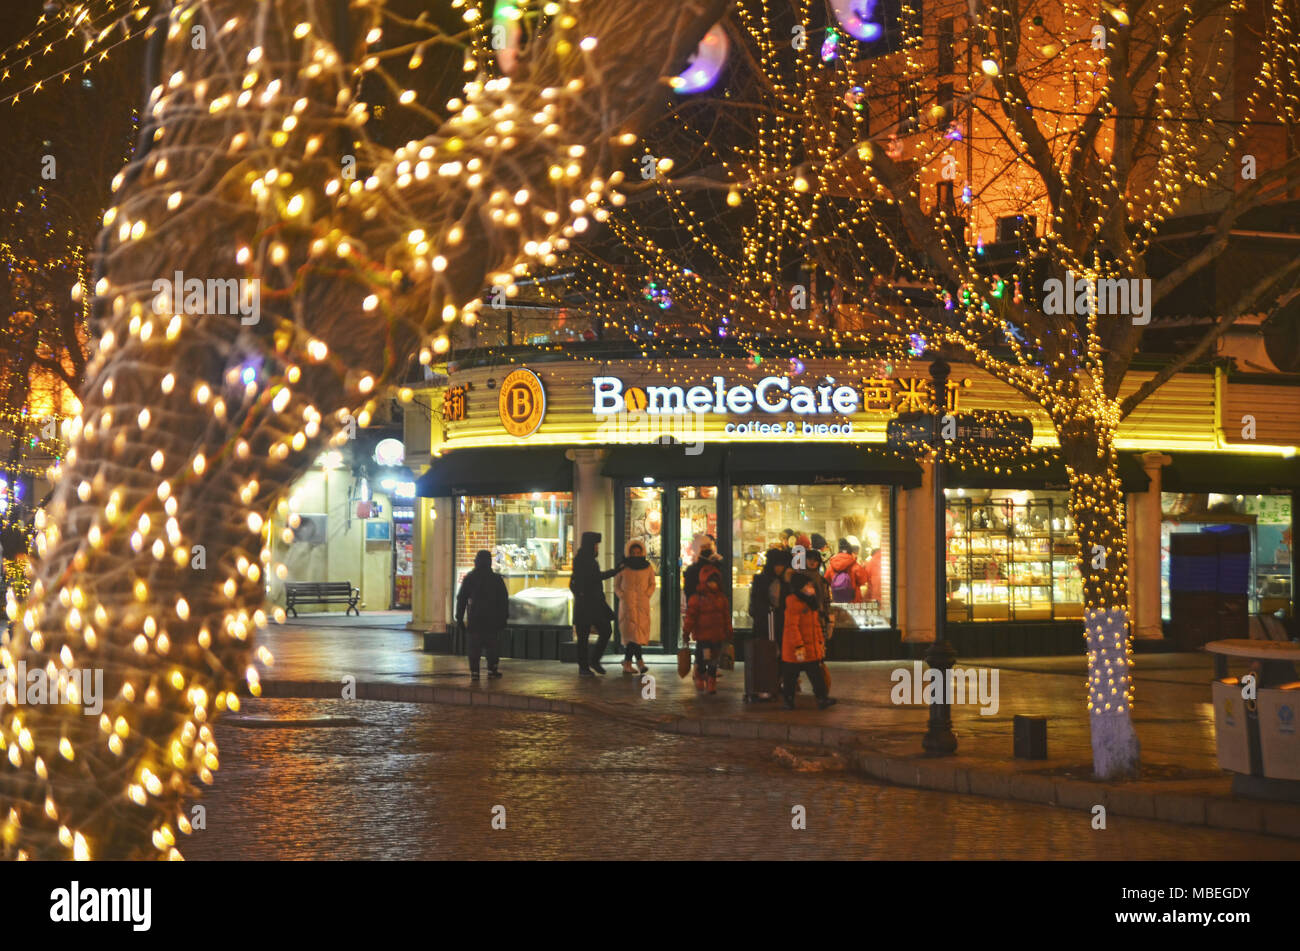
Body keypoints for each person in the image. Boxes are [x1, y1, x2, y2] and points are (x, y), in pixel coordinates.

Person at [569, 531, 623, 676]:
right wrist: (614, 571)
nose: (597, 548)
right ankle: (587, 665)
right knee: (590, 634)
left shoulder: (585, 559)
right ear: (591, 545)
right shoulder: (584, 560)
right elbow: (595, 578)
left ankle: (590, 663)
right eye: (596, 545)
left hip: (591, 603)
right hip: (589, 604)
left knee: (595, 633)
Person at [781, 572, 836, 710]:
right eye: (807, 585)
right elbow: (791, 627)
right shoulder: (793, 602)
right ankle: (788, 700)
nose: (810, 587)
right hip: (796, 648)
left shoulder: (811, 602)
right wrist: (798, 645)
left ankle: (822, 698)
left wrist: (820, 642)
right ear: (799, 587)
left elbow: (815, 625)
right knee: (791, 677)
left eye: (810, 585)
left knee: (816, 675)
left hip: (811, 647)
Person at [454, 549, 509, 681]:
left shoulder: (470, 578)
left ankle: (475, 672)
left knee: (474, 647)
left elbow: (462, 599)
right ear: (489, 562)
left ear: (476, 561)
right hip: (493, 619)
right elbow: (503, 600)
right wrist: (504, 618)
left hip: (475, 618)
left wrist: (460, 618)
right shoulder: (496, 579)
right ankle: (492, 669)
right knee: (492, 647)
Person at [746, 547, 791, 701]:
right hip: (765, 623)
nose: (779, 568)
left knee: (781, 653)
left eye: (782, 565)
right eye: (777, 565)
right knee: (765, 653)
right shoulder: (761, 580)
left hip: (781, 623)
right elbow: (755, 603)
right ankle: (764, 685)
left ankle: (778, 682)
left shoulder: (786, 581)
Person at [683, 562, 732, 693]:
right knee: (702, 658)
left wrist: (728, 629)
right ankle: (701, 674)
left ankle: (711, 680)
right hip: (703, 637)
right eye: (710, 582)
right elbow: (690, 617)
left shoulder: (722, 599)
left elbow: (726, 615)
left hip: (717, 635)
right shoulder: (697, 599)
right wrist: (686, 632)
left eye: (715, 582)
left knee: (714, 661)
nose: (713, 585)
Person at [614, 538, 655, 674]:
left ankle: (628, 663)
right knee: (632, 634)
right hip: (628, 604)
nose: (636, 555)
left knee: (636, 635)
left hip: (642, 604)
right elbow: (617, 584)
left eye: (638, 552)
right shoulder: (623, 566)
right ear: (629, 553)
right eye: (633, 553)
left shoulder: (647, 567)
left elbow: (652, 583)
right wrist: (622, 595)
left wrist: (646, 594)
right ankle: (639, 662)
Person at [826, 537, 870, 603]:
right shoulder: (855, 565)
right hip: (853, 602)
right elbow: (863, 580)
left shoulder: (831, 566)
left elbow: (826, 580)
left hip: (838, 602)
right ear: (850, 552)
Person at [682, 533, 722, 602]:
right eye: (705, 547)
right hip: (714, 609)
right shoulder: (719, 566)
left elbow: (688, 594)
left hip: (698, 609)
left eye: (709, 546)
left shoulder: (691, 570)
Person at [805, 548, 834, 642]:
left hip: (819, 618)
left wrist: (829, 620)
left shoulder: (823, 581)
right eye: (809, 559)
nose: (812, 562)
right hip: (804, 618)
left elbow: (826, 600)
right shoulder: (799, 579)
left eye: (815, 560)